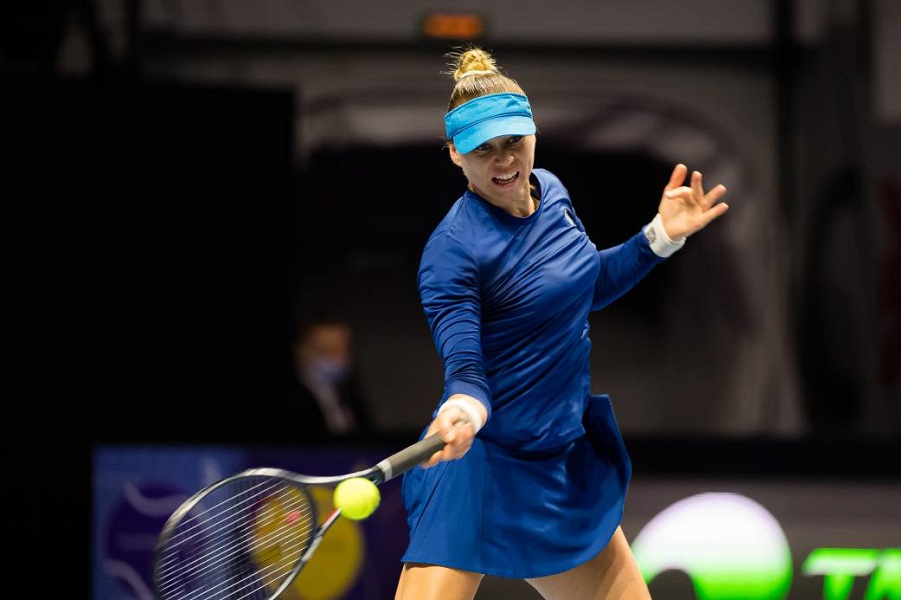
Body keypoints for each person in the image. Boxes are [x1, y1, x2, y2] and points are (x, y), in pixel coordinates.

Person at [394, 47, 729, 600]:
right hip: (480, 464)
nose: (504, 161)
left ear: (534, 133)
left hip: (557, 463)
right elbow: (465, 365)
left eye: (513, 142)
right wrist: (463, 409)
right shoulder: (451, 252)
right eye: (483, 149)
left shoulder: (552, 193)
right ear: (455, 153)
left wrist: (660, 236)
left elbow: (582, 288)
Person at [277, 317, 374, 439]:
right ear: (302, 351)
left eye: (344, 349)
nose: (339, 358)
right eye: (328, 350)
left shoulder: (351, 394)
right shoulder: (287, 399)